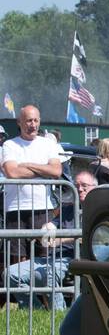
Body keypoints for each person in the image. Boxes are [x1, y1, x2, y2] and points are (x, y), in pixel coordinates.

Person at [5, 170, 95, 310]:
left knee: (49, 273)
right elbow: (52, 225)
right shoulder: (67, 209)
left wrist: (61, 240)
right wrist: (46, 229)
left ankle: (58, 314)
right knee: (10, 274)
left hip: (79, 259)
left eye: (84, 185)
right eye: (76, 185)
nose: (79, 189)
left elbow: (90, 235)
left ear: (94, 187)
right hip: (54, 257)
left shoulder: (98, 210)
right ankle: (35, 310)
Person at [1, 105, 64, 264]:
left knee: (45, 255)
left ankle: (42, 288)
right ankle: (19, 287)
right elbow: (12, 173)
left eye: (36, 120)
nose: (33, 125)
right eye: (29, 120)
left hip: (44, 207)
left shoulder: (48, 144)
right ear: (19, 122)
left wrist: (27, 165)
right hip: (15, 208)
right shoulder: (10, 145)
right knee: (17, 259)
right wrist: (44, 169)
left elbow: (56, 170)